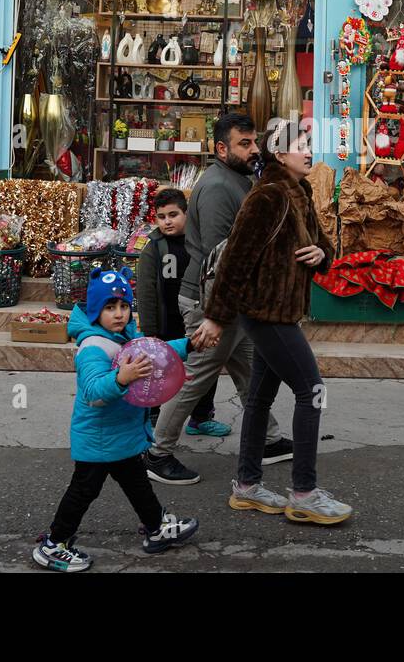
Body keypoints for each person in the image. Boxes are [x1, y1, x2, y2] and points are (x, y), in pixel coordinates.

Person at [194, 120, 352, 526]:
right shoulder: (266, 197)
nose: (309, 151)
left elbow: (324, 246)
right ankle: (303, 493)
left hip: (281, 313)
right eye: (302, 145)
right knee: (311, 390)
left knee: (259, 399)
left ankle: (246, 487)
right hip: (264, 314)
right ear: (279, 154)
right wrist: (215, 318)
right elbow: (234, 262)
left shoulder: (299, 192)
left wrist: (321, 254)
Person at [144, 114, 293, 485]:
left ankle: (268, 440)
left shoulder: (238, 179)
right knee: (195, 376)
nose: (255, 149)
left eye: (255, 141)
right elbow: (219, 256)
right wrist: (220, 314)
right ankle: (157, 453)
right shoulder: (215, 188)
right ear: (222, 148)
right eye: (245, 143)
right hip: (210, 301)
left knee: (246, 368)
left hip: (230, 300)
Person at [33, 269, 202, 571]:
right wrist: (121, 378)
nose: (119, 314)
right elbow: (93, 393)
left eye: (124, 306)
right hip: (98, 439)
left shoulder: (126, 337)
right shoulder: (93, 347)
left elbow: (157, 352)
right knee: (83, 491)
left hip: (121, 434)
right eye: (110, 308)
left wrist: (188, 346)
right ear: (96, 311)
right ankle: (53, 544)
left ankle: (156, 528)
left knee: (138, 484)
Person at [135, 189, 223, 435]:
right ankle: (154, 416)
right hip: (165, 324)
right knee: (159, 373)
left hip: (196, 321)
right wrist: (149, 331)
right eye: (161, 216)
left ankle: (201, 417)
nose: (167, 221)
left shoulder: (200, 243)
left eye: (173, 214)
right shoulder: (154, 248)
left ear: (187, 214)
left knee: (204, 370)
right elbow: (146, 291)